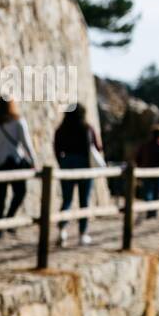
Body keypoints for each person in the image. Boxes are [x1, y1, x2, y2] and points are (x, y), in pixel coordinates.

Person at [0, 94, 38, 238]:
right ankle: (9, 220)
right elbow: (27, 144)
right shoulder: (18, 121)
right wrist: (34, 162)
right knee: (20, 192)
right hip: (13, 163)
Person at [53, 105, 102, 246]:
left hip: (67, 164)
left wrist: (61, 163)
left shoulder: (61, 129)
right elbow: (97, 147)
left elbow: (56, 147)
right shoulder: (87, 128)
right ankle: (82, 233)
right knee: (84, 200)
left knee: (66, 199)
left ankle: (62, 231)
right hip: (85, 165)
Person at [136, 124, 159, 219]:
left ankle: (150, 211)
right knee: (156, 192)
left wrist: (140, 168)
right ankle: (153, 212)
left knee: (148, 192)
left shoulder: (145, 145)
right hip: (158, 173)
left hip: (147, 171)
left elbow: (138, 158)